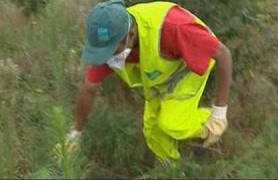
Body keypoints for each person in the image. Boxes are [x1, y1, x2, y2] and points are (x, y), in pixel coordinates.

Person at [66, 0, 232, 162]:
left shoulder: (171, 27)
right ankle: (173, 170)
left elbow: (223, 54)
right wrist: (76, 132)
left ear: (130, 35)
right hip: (159, 76)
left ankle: (214, 127)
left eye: (111, 51)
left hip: (188, 65)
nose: (106, 57)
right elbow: (89, 88)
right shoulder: (110, 41)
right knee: (152, 131)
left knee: (172, 123)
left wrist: (220, 112)